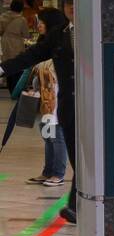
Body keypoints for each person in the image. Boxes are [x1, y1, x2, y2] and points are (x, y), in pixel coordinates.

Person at [0, 5, 76, 223]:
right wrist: (3, 69)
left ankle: (75, 203)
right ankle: (75, 203)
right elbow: (30, 57)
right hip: (65, 106)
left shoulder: (96, 29)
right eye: (68, 4)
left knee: (82, 156)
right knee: (74, 156)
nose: (73, 9)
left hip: (92, 106)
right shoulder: (58, 35)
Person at [30, 52, 66, 187]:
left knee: (56, 140)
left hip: (54, 108)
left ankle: (58, 174)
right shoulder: (45, 63)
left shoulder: (58, 62)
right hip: (46, 108)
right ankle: (48, 172)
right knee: (48, 140)